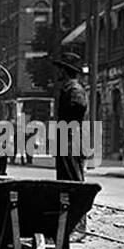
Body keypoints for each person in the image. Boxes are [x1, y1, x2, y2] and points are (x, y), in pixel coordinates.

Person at [52, 53, 88, 183]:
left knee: (72, 178)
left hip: (71, 140)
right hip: (65, 139)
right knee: (64, 179)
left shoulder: (75, 89)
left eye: (60, 69)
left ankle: (78, 203)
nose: (58, 72)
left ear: (65, 71)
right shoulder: (68, 88)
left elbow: (79, 107)